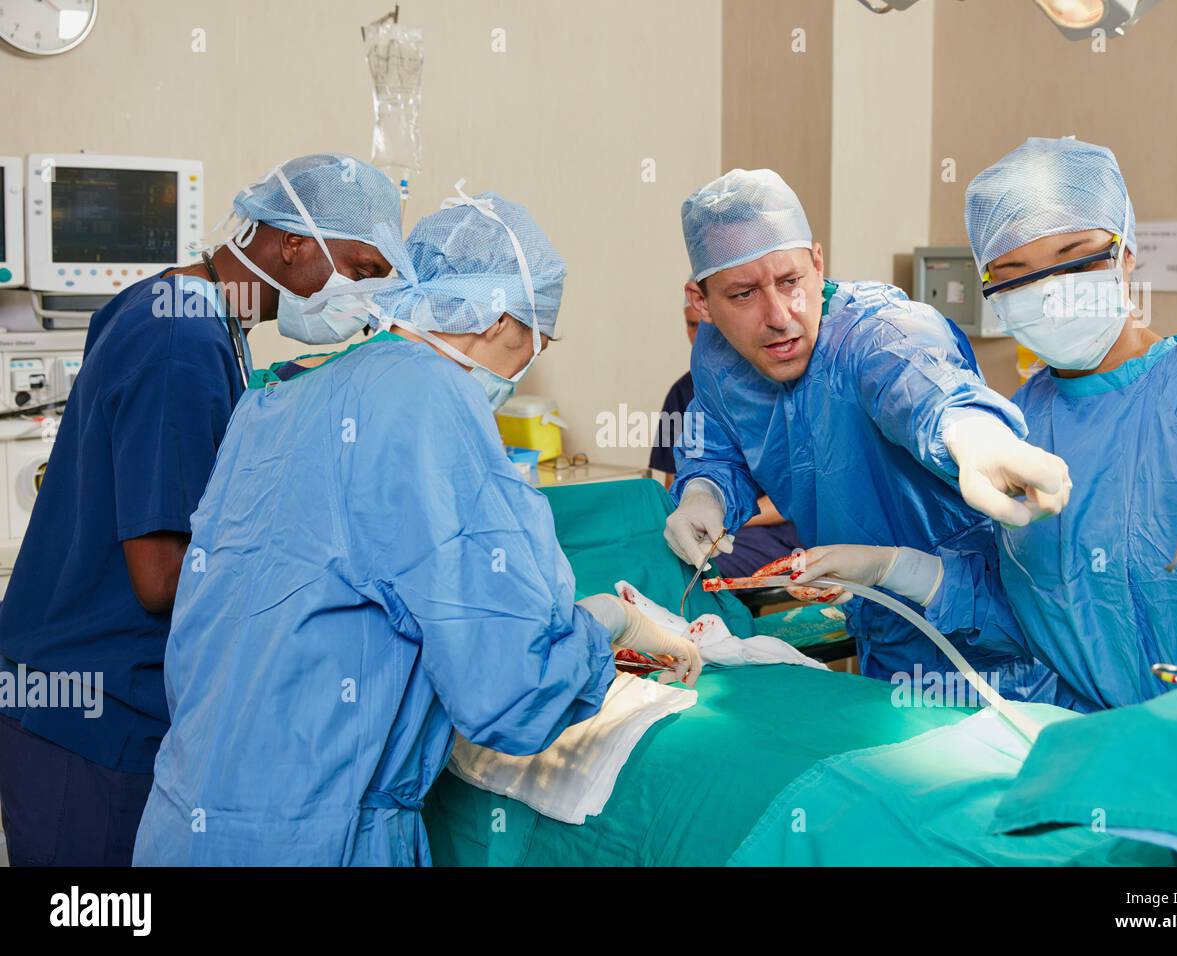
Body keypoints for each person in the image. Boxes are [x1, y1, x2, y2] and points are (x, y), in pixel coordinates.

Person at [132, 186, 702, 867]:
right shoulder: (431, 400)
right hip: (316, 836)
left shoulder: (282, 391)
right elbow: (511, 693)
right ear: (496, 318)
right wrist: (606, 624)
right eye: (534, 341)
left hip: (186, 813)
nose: (523, 368)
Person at [0, 153, 400, 866]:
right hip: (96, 718)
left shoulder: (179, 305)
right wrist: (321, 572)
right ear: (293, 242)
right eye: (362, 271)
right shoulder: (180, 340)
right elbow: (160, 576)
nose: (364, 297)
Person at [900, 135, 1177, 712]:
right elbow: (1021, 613)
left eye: (1076, 259)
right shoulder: (1010, 433)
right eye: (1014, 276)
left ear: (1126, 252)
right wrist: (905, 572)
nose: (1049, 293)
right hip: (1097, 754)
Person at [663, 168, 1070, 695]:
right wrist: (704, 494)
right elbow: (716, 445)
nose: (780, 316)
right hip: (884, 637)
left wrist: (972, 436)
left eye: (790, 282)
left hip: (994, 637)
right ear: (701, 301)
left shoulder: (879, 334)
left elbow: (921, 386)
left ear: (817, 262)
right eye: (742, 295)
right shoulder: (719, 358)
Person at [651, 292, 803, 577]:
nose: (700, 335)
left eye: (708, 326)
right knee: (654, 550)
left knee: (691, 567)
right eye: (691, 325)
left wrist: (725, 515)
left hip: (773, 531)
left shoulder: (783, 386)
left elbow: (798, 495)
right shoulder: (681, 393)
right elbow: (673, 482)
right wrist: (698, 504)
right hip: (719, 526)